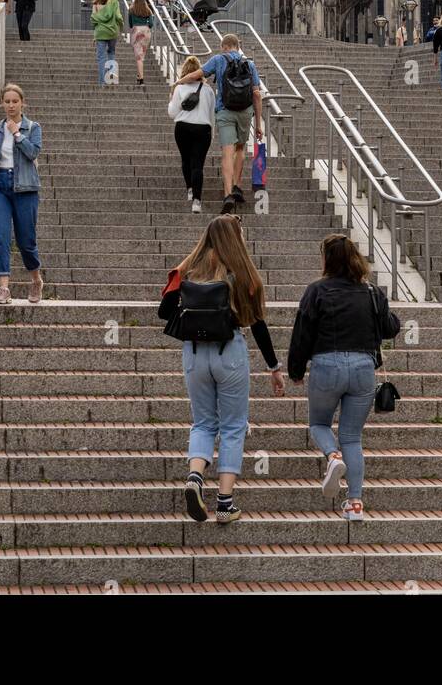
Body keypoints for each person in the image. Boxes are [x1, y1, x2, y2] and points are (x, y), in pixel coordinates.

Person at [158, 215, 284, 524]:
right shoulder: (242, 273)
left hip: (194, 353)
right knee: (232, 426)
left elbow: (163, 311)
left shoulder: (189, 270)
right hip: (230, 352)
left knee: (202, 423)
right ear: (235, 239)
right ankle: (225, 502)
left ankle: (195, 476)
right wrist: (274, 367)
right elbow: (258, 324)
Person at [288, 234, 401, 521]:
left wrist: (296, 370)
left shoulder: (316, 291)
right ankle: (354, 505)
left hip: (326, 365)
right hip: (363, 368)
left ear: (327, 259)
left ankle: (332, 457)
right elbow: (390, 328)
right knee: (352, 437)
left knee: (319, 424)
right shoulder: (372, 292)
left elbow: (302, 334)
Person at [176, 33, 263, 208]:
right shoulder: (250, 64)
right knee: (240, 148)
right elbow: (257, 94)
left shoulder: (218, 60)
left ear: (224, 46)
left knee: (227, 153)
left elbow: (195, 75)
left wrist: (178, 82)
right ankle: (238, 185)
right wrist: (259, 124)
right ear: (237, 47)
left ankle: (228, 194)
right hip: (245, 112)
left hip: (225, 111)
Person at [0, 82, 43, 305]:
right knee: (0, 237)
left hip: (25, 188)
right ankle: (4, 288)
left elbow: (33, 152)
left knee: (26, 241)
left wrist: (17, 134)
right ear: (2, 104)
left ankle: (36, 280)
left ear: (22, 103)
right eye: (7, 102)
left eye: (15, 101)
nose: (10, 105)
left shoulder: (33, 127)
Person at [168, 55, 216, 214]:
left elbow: (173, 113)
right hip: (203, 129)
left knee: (186, 159)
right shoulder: (208, 90)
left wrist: (171, 100)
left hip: (183, 128)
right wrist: (212, 133)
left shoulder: (179, 88)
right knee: (198, 164)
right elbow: (212, 115)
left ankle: (189, 188)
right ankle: (197, 201)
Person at [90, 0, 124, 86]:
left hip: (100, 32)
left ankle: (102, 82)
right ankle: (111, 79)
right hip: (112, 31)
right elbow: (118, 16)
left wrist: (94, 36)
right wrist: (121, 26)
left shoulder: (96, 4)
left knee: (101, 58)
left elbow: (93, 21)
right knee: (112, 53)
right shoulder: (114, 2)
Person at [128, 0, 154, 87]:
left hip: (136, 32)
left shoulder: (131, 10)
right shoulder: (148, 10)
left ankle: (141, 80)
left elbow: (130, 24)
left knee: (139, 57)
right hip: (146, 32)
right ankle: (138, 77)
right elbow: (151, 24)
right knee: (141, 56)